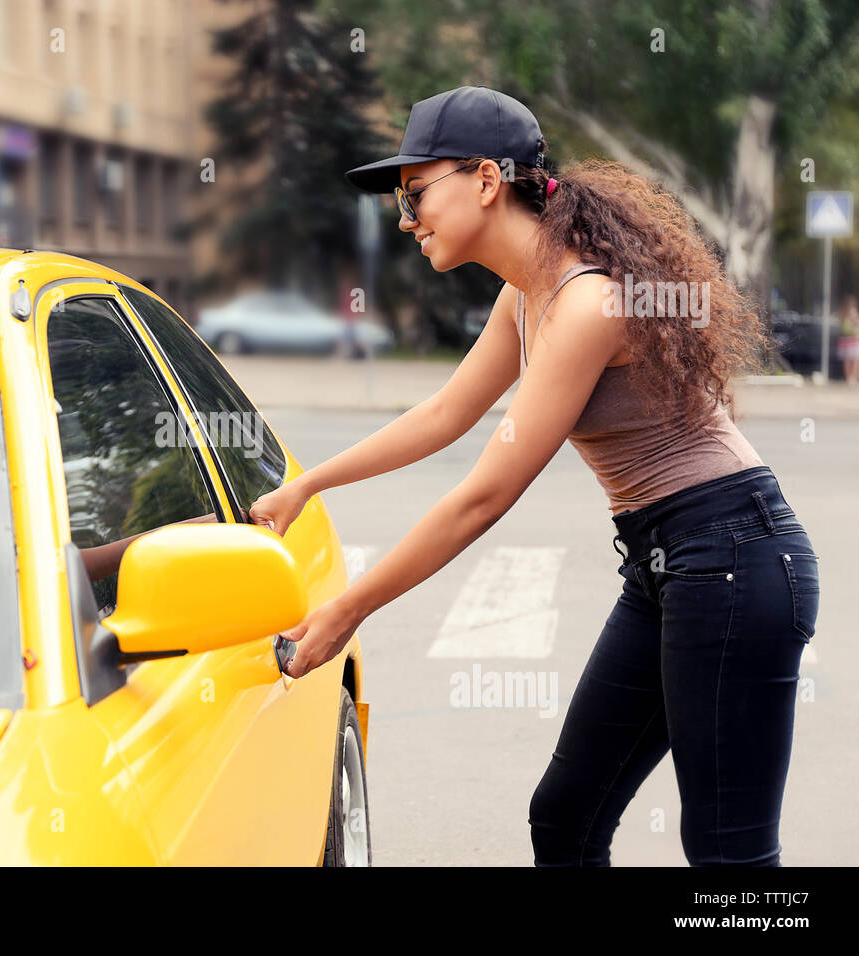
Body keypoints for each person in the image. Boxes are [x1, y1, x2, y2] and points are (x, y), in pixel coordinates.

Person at [247, 86, 821, 867]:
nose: (407, 219)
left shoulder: (588, 302)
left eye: (416, 194)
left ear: (486, 181)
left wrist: (350, 608)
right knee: (566, 819)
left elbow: (484, 496)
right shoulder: (527, 293)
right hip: (668, 565)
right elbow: (445, 413)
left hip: (730, 556)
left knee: (728, 854)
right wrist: (307, 484)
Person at [838, 293, 859, 387]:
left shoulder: (842, 313)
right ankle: (852, 378)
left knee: (847, 360)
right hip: (853, 339)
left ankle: (849, 378)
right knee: (854, 360)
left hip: (844, 339)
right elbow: (856, 323)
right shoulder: (853, 312)